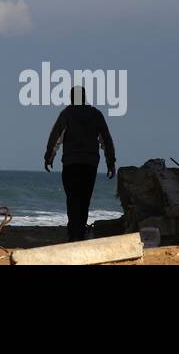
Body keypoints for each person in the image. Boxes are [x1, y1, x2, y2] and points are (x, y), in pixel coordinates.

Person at [44, 84, 116, 242]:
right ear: (84, 97)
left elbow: (56, 137)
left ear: (71, 97)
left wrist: (49, 157)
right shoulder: (96, 115)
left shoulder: (67, 113)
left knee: (72, 198)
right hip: (90, 164)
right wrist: (111, 162)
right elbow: (106, 140)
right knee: (84, 199)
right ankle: (80, 232)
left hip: (71, 163)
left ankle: (73, 232)